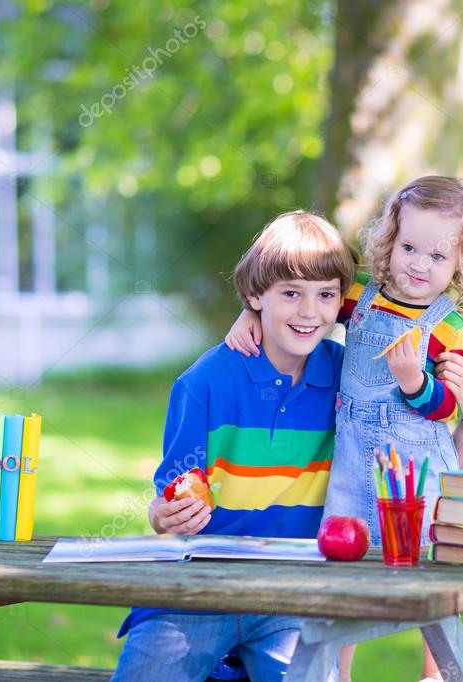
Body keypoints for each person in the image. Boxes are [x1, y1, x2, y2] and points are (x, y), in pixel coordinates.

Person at [226, 176, 463, 681]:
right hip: (353, 459)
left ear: (461, 263)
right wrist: (250, 312)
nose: (418, 264)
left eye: (437, 257)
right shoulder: (360, 297)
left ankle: (435, 671)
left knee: (429, 568)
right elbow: (309, 296)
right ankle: (337, 669)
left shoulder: (449, 326)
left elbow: (445, 408)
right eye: (409, 247)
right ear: (389, 242)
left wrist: (415, 383)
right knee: (342, 563)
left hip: (415, 465)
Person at [112, 210, 355, 682]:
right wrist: (163, 516)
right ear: (254, 294)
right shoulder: (204, 382)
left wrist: (263, 300)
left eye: (326, 296)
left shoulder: (349, 376)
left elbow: (396, 290)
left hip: (292, 596)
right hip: (199, 590)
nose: (310, 312)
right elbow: (172, 494)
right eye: (290, 294)